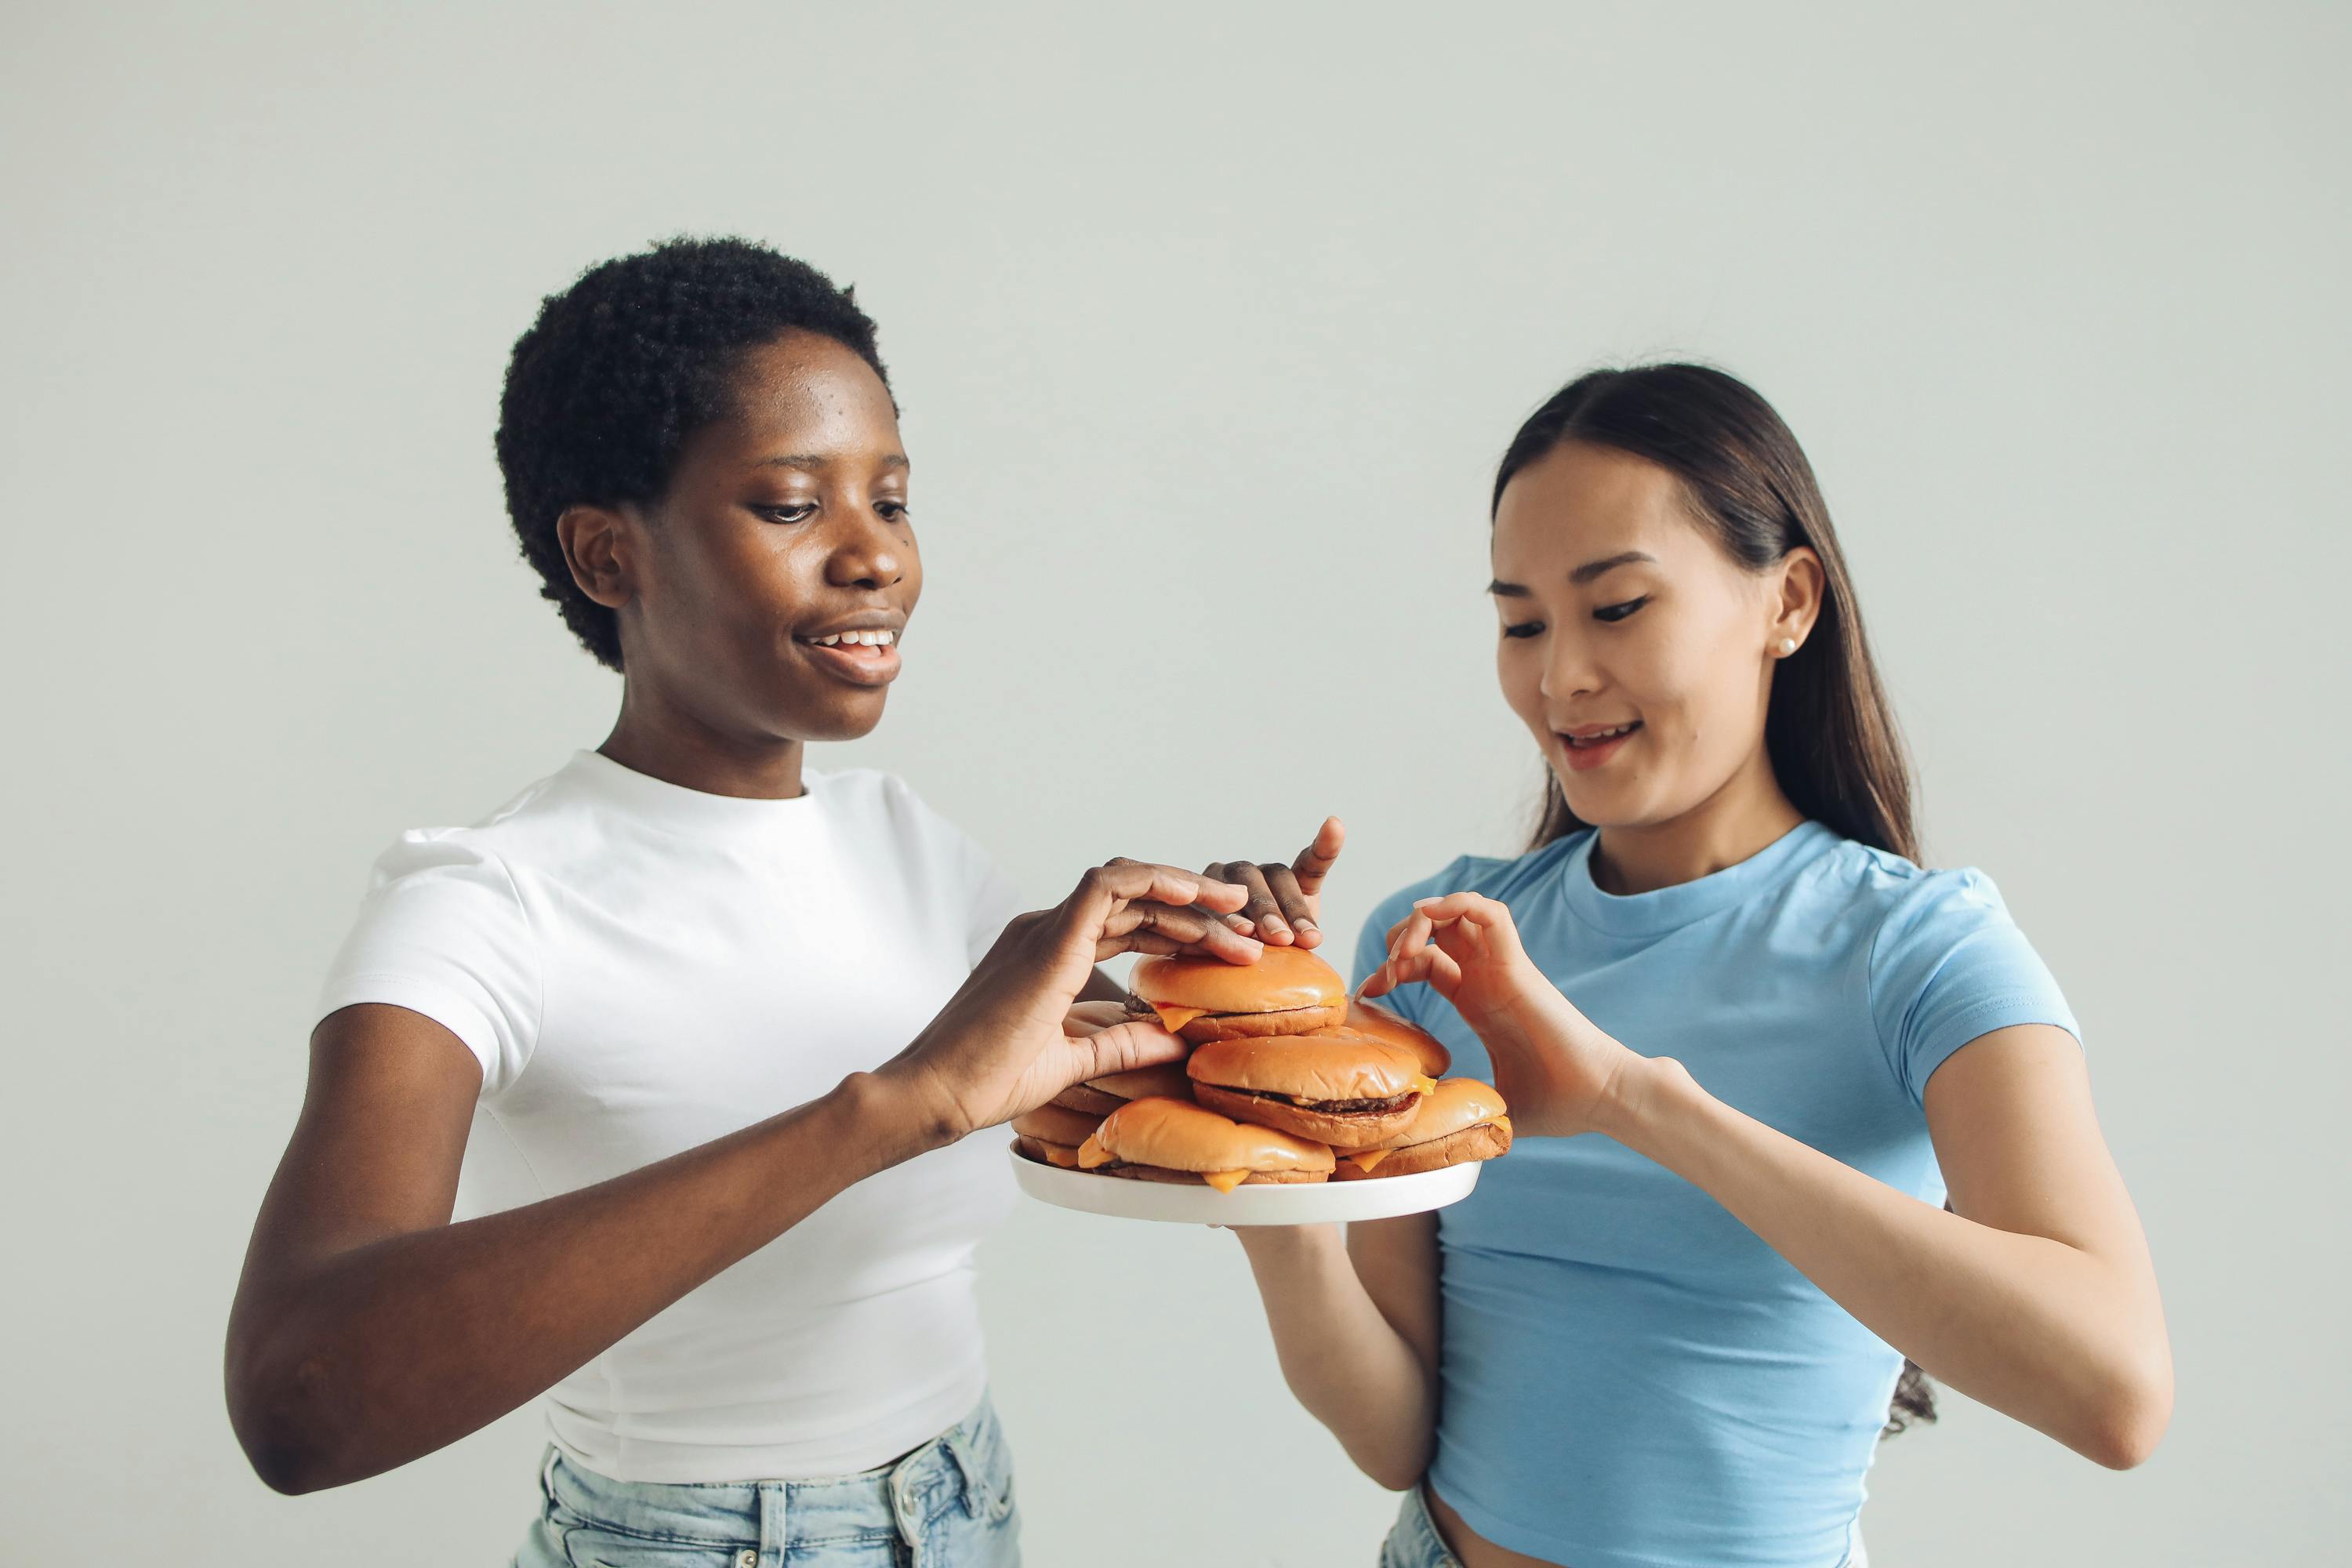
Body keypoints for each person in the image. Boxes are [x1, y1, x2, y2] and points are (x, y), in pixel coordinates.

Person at [223, 236, 1269, 1567]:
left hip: (967, 1502)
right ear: (610, 557)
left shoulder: (905, 839)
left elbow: (1118, 1097)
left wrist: (1226, 974)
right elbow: (297, 1400)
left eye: (891, 501)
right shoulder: (481, 903)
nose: (874, 558)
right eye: (791, 505)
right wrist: (884, 1114)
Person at [1207, 365, 2172, 1568]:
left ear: (1790, 602)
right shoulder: (1434, 950)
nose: (1560, 676)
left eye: (1616, 608)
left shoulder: (1923, 952)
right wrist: (1272, 1175)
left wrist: (1634, 1102)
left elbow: (2116, 1394)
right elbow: (1397, 1434)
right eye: (1521, 622)